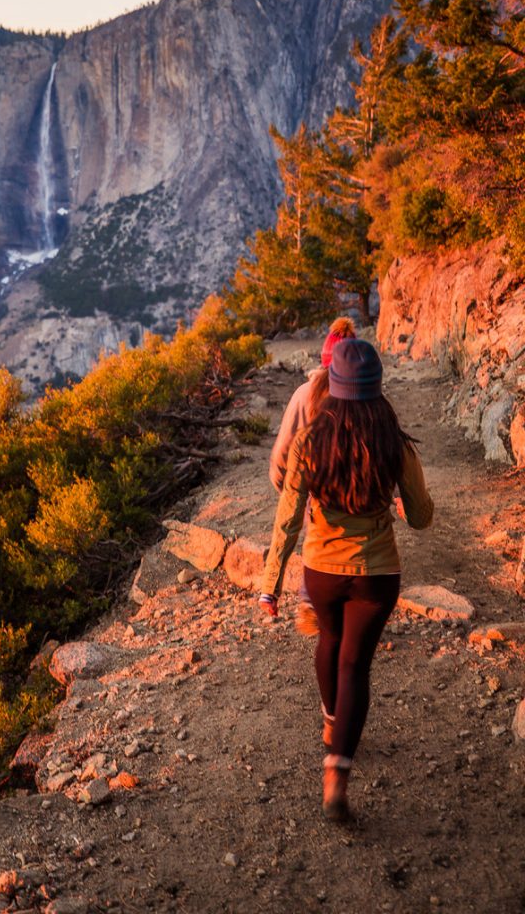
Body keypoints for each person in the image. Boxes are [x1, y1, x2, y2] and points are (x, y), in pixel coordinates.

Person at [259, 339, 433, 821]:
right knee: (355, 665)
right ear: (377, 385)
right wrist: (403, 505)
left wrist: (270, 583)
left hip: (322, 572)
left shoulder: (311, 439)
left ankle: (331, 723)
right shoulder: (392, 439)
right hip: (377, 575)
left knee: (329, 643)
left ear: (332, 384)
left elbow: (288, 518)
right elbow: (420, 517)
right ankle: (337, 770)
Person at [266, 317, 357, 635]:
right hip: (359, 491)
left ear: (324, 360)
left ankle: (311, 601)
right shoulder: (366, 395)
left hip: (314, 490)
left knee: (316, 540)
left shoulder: (304, 395)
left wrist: (289, 487)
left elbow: (281, 454)